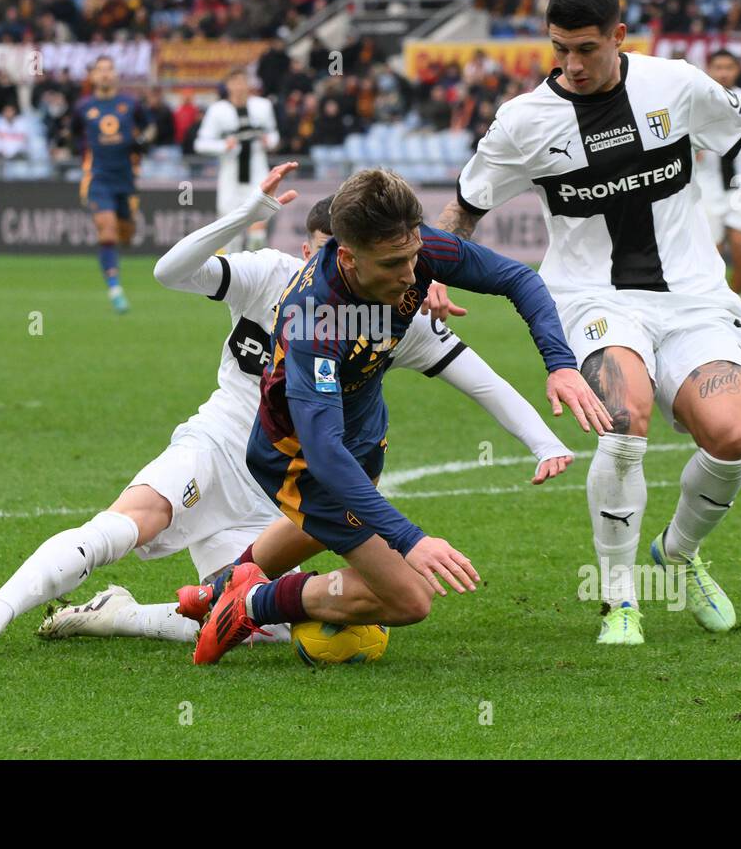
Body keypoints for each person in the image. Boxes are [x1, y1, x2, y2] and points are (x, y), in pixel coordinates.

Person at [432, 0, 741, 645]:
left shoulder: (676, 85)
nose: (571, 65)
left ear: (619, 36)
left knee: (731, 436)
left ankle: (679, 553)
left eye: (586, 48)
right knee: (625, 417)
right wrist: (429, 271)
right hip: (592, 297)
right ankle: (619, 598)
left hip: (692, 296)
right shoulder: (524, 122)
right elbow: (465, 205)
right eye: (558, 50)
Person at [0, 163, 578, 659]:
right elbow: (171, 273)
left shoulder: (406, 284)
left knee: (273, 623)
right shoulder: (293, 298)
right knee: (122, 527)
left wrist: (551, 403)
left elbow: (488, 362)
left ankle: (130, 613)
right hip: (243, 448)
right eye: (316, 247)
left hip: (309, 477)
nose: (411, 272)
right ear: (327, 251)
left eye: (413, 259)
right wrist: (247, 213)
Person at [188, 168, 612, 665]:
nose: (412, 275)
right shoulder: (314, 318)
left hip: (361, 444)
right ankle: (253, 602)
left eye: (413, 256)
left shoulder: (412, 248)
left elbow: (518, 278)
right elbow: (323, 452)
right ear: (347, 257)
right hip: (300, 463)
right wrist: (411, 540)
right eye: (394, 264)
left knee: (322, 523)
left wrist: (560, 365)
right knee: (408, 599)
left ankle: (217, 591)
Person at [75, 55, 152, 314]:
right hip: (98, 178)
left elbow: (149, 127)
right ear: (94, 76)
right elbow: (73, 134)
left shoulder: (130, 103)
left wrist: (142, 141)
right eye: (101, 70)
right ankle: (115, 289)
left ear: (115, 74)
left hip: (126, 179)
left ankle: (115, 271)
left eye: (109, 70)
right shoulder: (84, 107)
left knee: (126, 235)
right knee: (106, 231)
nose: (106, 74)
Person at [692, 48, 741, 294]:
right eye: (718, 67)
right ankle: (717, 304)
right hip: (707, 182)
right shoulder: (696, 99)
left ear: (738, 70)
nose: (723, 73)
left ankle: (738, 301)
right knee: (712, 252)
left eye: (729, 67)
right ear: (709, 69)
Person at [194, 68, 279, 252]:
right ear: (228, 85)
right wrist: (224, 146)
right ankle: (230, 276)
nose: (240, 86)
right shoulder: (218, 111)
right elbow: (200, 144)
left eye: (243, 81)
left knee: (257, 232)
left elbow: (273, 134)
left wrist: (269, 141)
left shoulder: (263, 106)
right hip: (230, 176)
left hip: (257, 173)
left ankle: (255, 275)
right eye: (235, 82)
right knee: (228, 231)